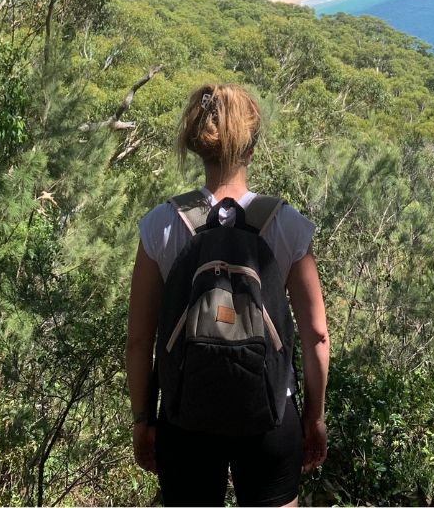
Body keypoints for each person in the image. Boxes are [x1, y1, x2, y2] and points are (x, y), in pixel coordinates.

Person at [126, 83, 330, 507]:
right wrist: (314, 417)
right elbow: (316, 336)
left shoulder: (160, 226)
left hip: (184, 420)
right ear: (251, 149)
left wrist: (143, 419)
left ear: (199, 147)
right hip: (271, 413)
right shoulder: (287, 225)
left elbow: (139, 340)